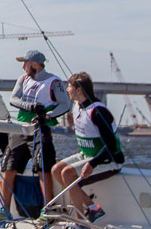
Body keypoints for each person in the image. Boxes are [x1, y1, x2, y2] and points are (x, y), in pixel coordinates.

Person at [0, 49, 68, 214]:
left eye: (26, 63)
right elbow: (13, 99)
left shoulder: (54, 81)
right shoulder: (23, 79)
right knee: (9, 166)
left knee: (42, 168)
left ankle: (48, 210)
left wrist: (47, 115)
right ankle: (4, 209)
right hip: (21, 127)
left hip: (41, 128)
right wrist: (30, 106)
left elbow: (65, 104)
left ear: (35, 65)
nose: (23, 66)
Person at [52, 72, 125, 220]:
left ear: (79, 90)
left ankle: (80, 224)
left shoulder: (98, 112)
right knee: (56, 170)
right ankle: (92, 207)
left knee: (67, 173)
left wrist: (92, 163)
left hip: (108, 160)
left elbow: (111, 145)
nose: (67, 89)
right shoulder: (77, 106)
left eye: (69, 86)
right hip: (86, 155)